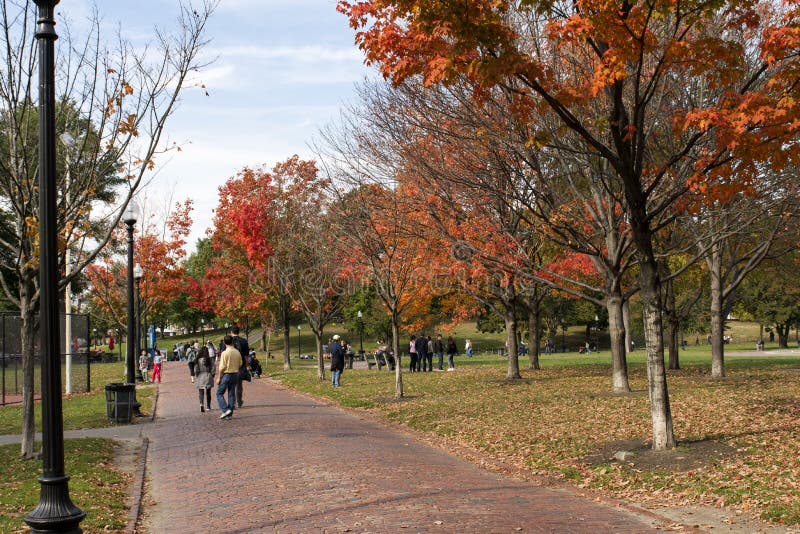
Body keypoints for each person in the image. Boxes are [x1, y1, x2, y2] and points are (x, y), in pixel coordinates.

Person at [216, 335, 241, 419]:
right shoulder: (237, 352)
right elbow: (240, 363)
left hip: (227, 374)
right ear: (232, 342)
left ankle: (225, 409)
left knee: (219, 393)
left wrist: (219, 377)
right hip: (235, 374)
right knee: (231, 393)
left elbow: (222, 366)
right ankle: (229, 412)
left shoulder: (225, 353)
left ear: (224, 342)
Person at [231, 326, 250, 408]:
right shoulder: (244, 341)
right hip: (240, 364)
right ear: (239, 332)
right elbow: (246, 355)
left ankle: (232, 402)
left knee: (231, 384)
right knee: (239, 384)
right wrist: (246, 365)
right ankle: (239, 401)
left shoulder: (228, 340)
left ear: (231, 332)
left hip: (231, 365)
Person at [195, 346, 215, 412]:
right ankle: (208, 406)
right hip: (208, 375)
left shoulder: (198, 360)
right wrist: (212, 375)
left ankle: (201, 404)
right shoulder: (210, 359)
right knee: (208, 392)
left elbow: (196, 369)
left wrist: (197, 375)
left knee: (201, 392)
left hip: (200, 375)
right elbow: (213, 368)